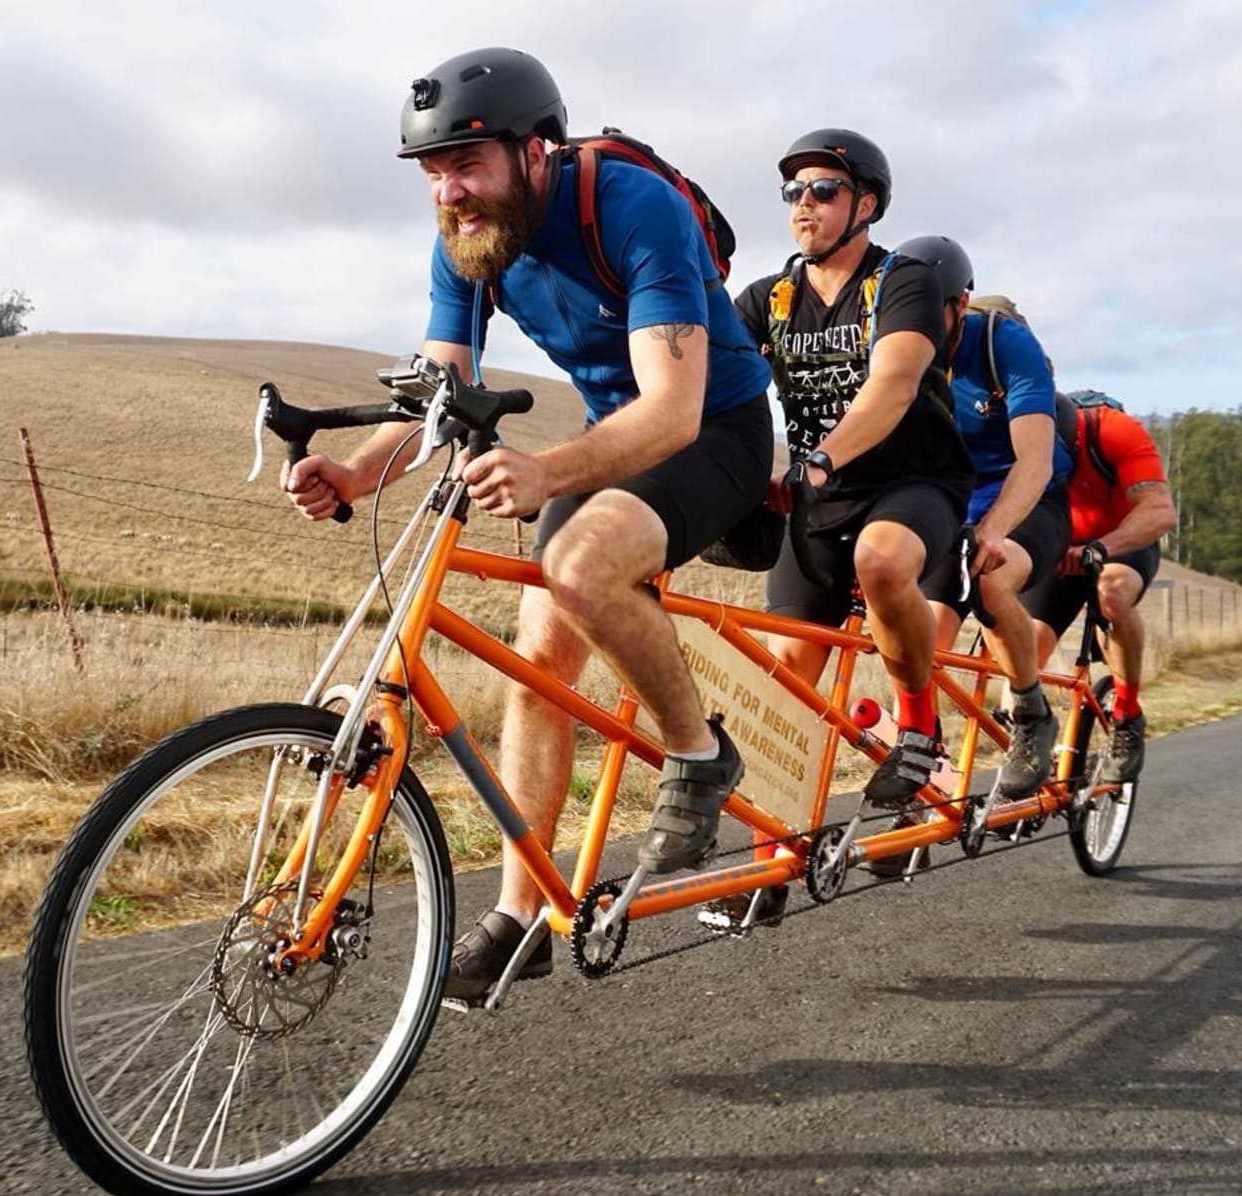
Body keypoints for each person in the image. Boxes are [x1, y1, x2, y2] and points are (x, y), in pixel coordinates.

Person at [282, 48, 774, 1001]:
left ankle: (698, 753)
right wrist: (352, 471)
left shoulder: (632, 208)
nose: (448, 191)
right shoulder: (467, 240)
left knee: (581, 566)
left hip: (712, 424)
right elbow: (437, 390)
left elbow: (673, 411)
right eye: (431, 174)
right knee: (537, 655)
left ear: (535, 151)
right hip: (610, 432)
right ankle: (518, 916)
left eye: (465, 165)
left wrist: (546, 470)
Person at [719, 130, 974, 906]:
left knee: (883, 562)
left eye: (822, 190)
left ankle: (918, 730)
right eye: (793, 192)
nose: (803, 205)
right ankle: (771, 859)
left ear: (864, 203)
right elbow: (715, 381)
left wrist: (822, 455)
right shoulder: (768, 298)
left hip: (912, 482)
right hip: (814, 502)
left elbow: (894, 382)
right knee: (784, 684)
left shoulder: (904, 280)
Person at [899, 239, 1074, 795]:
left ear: (959, 305)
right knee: (925, 632)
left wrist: (994, 529)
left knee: (993, 582)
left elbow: (1035, 460)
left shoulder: (1004, 344)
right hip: (951, 499)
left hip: (1027, 496)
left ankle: (1029, 713)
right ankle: (927, 760)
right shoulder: (901, 346)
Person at [1020, 402, 1176, 783]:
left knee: (1112, 596)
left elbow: (1160, 513)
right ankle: (1026, 740)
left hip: (1120, 543)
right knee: (1026, 644)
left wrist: (1102, 548)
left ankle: (1126, 716)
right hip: (1058, 546)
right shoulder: (1020, 434)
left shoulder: (1115, 430)